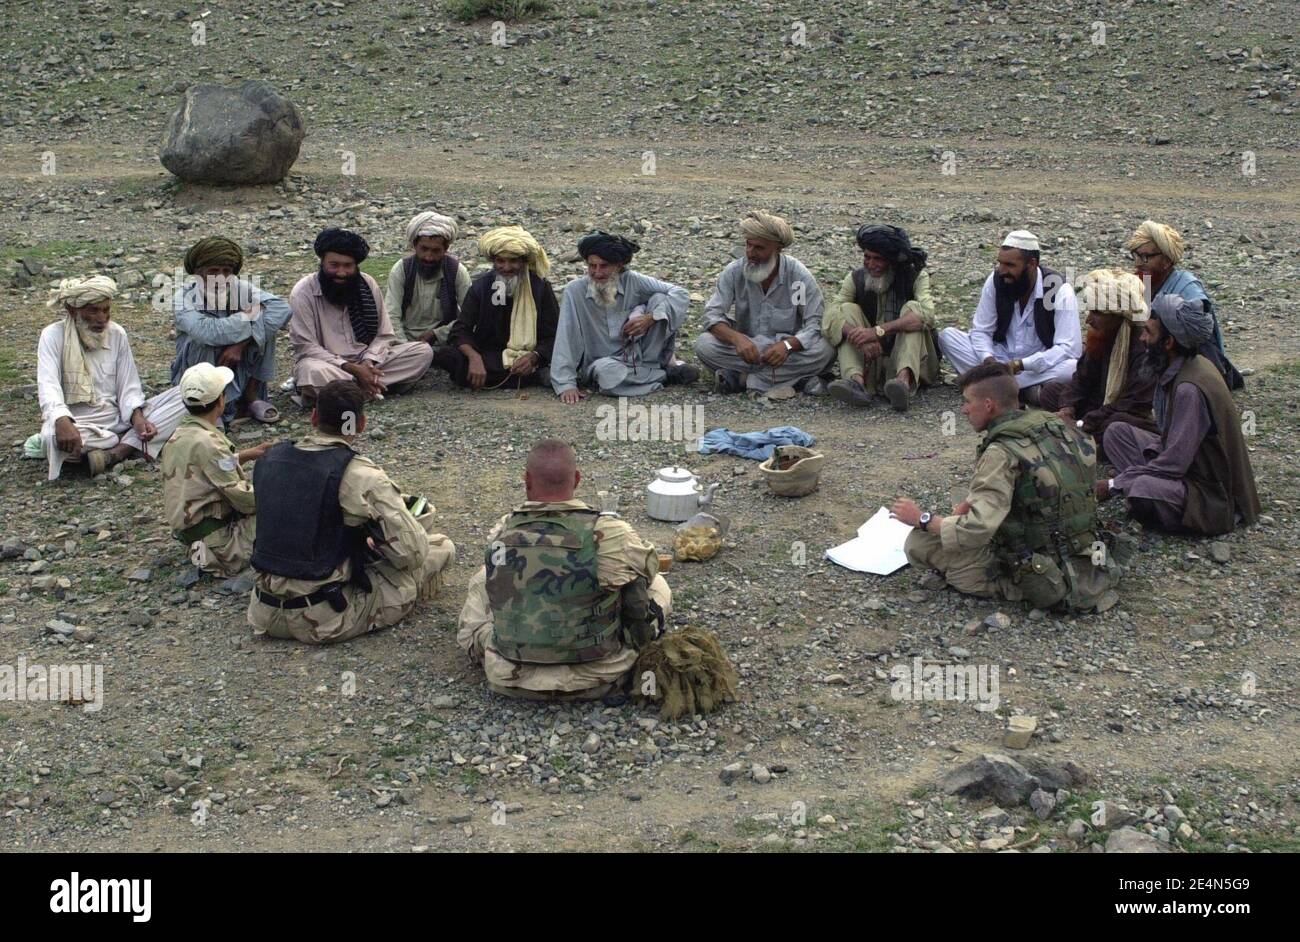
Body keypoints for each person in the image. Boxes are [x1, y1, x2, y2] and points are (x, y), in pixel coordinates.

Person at [894, 362, 1119, 612]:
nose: (964, 410)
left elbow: (976, 529)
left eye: (968, 402)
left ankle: (1009, 586)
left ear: (988, 405)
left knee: (919, 543)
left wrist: (923, 519)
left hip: (1042, 563)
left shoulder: (1001, 452)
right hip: (1084, 547)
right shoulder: (1059, 426)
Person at [457, 439, 671, 701]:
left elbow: (497, 580)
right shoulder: (610, 532)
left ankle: (499, 647)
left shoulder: (502, 532)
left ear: (526, 480)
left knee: (481, 578)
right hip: (598, 676)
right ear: (577, 479)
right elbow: (647, 569)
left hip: (510, 675)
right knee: (656, 583)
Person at [247, 380, 455, 644]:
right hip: (323, 619)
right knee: (440, 548)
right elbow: (411, 555)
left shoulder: (270, 459)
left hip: (263, 611)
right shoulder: (362, 475)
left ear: (313, 416)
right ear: (361, 424)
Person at [1098, 295, 1260, 536]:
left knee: (1141, 487)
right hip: (1187, 467)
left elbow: (1175, 462)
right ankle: (1139, 483)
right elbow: (1170, 442)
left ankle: (1147, 493)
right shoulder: (1185, 365)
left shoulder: (1189, 390)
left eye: (1149, 334)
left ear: (1168, 343)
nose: (1142, 339)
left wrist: (1113, 485)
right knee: (1117, 433)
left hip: (1211, 493)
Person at [34, 275, 185, 480]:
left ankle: (117, 452)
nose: (102, 318)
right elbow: (48, 385)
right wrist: (61, 420)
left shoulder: (116, 334)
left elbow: (128, 386)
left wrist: (137, 418)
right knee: (51, 438)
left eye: (106, 310)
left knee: (189, 394)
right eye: (93, 311)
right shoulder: (52, 335)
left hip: (118, 420)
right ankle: (131, 444)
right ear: (73, 310)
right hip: (79, 426)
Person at [694, 211, 835, 396]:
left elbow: (814, 323)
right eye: (748, 245)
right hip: (747, 349)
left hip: (786, 353)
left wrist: (788, 346)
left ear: (778, 249)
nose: (751, 253)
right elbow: (712, 314)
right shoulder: (735, 272)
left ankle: (743, 379)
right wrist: (737, 339)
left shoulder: (797, 278)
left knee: (827, 349)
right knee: (704, 344)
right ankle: (794, 379)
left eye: (759, 248)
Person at [287, 228, 434, 406]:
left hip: (368, 361)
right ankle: (371, 388)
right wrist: (351, 368)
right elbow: (306, 347)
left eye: (348, 266)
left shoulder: (367, 284)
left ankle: (348, 393)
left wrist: (367, 362)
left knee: (422, 352)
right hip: (329, 365)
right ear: (322, 262)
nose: (341, 272)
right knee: (311, 371)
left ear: (356, 265)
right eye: (334, 265)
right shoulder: (303, 292)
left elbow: (384, 334)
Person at [937, 229, 1081, 404]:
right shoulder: (998, 280)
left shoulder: (1057, 289)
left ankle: (988, 386)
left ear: (1032, 264)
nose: (1002, 270)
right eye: (1000, 263)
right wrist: (988, 359)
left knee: (1072, 368)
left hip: (1036, 365)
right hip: (999, 359)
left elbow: (1068, 348)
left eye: (1010, 265)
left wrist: (1021, 365)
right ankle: (1021, 391)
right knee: (948, 337)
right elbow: (981, 331)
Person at [551, 231, 696, 402]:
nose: (597, 273)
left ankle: (648, 372)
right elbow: (567, 336)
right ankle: (664, 375)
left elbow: (681, 293)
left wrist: (651, 318)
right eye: (592, 266)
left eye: (604, 266)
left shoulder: (633, 280)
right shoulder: (574, 291)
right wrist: (566, 383)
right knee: (608, 375)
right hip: (603, 364)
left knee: (661, 299)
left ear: (619, 266)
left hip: (640, 357)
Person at [162, 363, 271, 576]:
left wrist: (245, 456)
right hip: (220, 547)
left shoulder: (180, 435)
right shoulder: (210, 444)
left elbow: (206, 468)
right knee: (285, 510)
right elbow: (245, 499)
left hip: (196, 543)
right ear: (221, 400)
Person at [170, 236, 292, 424]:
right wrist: (252, 315)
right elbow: (209, 332)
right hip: (201, 368)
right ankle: (208, 404)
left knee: (266, 329)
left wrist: (241, 344)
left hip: (236, 359)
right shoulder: (183, 298)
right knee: (202, 342)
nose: (220, 278)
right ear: (197, 273)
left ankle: (250, 397)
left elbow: (281, 309)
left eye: (226, 271)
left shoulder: (239, 288)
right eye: (213, 271)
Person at [823, 223, 939, 411]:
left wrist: (878, 331)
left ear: (892, 261)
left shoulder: (916, 276)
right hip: (872, 360)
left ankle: (903, 383)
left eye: (878, 259)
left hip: (914, 361)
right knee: (845, 309)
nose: (871, 265)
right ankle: (856, 383)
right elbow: (830, 313)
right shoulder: (856, 278)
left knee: (914, 311)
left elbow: (928, 315)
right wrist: (861, 337)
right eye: (867, 257)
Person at [1038, 268, 1157, 445]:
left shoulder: (1143, 346)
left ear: (1118, 317)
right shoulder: (1099, 336)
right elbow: (1081, 380)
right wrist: (1067, 409)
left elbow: (1134, 403)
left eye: (1097, 313)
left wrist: (1084, 422)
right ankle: (1083, 436)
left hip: (1124, 413)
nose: (1088, 320)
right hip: (1098, 406)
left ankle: (1084, 437)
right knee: (1050, 392)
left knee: (1115, 425)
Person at [436, 225, 559, 390]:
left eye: (513, 261)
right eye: (501, 261)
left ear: (523, 262)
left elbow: (554, 335)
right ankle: (529, 378)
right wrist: (474, 358)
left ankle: (530, 372)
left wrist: (534, 357)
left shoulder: (540, 288)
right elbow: (460, 330)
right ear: (493, 261)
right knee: (447, 356)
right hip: (487, 355)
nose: (506, 268)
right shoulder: (481, 287)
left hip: (526, 356)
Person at [1125, 219, 1242, 388]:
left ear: (1166, 261)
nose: (1138, 263)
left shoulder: (1188, 288)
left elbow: (1200, 339)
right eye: (1135, 255)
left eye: (1145, 257)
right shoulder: (1145, 283)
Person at [384, 211, 472, 345]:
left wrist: (437, 334)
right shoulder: (401, 269)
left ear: (446, 249)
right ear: (414, 245)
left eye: (436, 251)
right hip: (406, 339)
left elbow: (469, 315)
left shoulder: (457, 271)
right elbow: (392, 315)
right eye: (424, 249)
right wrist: (404, 347)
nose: (428, 257)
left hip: (444, 339)